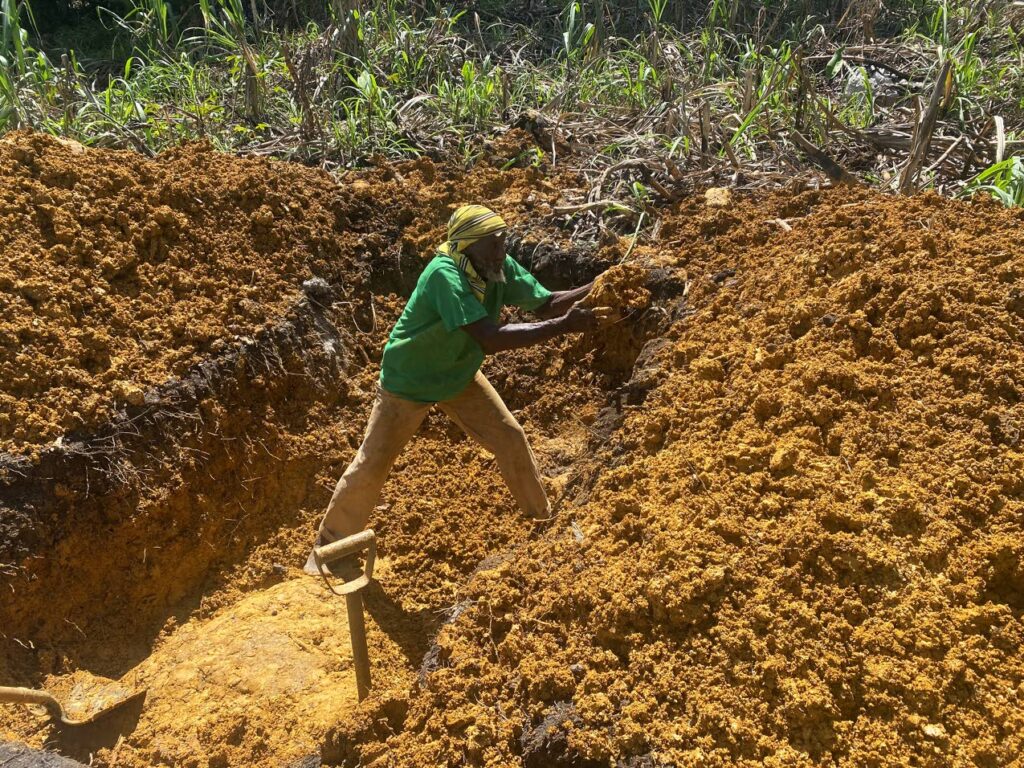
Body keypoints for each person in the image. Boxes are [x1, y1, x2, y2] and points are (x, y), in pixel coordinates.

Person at [304, 204, 611, 574]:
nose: (502, 252)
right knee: (372, 464)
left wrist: (601, 284)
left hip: (457, 375)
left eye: (503, 242)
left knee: (509, 437)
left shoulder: (496, 267)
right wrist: (565, 326)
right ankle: (328, 551)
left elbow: (546, 304)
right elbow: (489, 338)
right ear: (467, 246)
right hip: (410, 380)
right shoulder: (444, 274)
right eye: (493, 245)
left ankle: (541, 519)